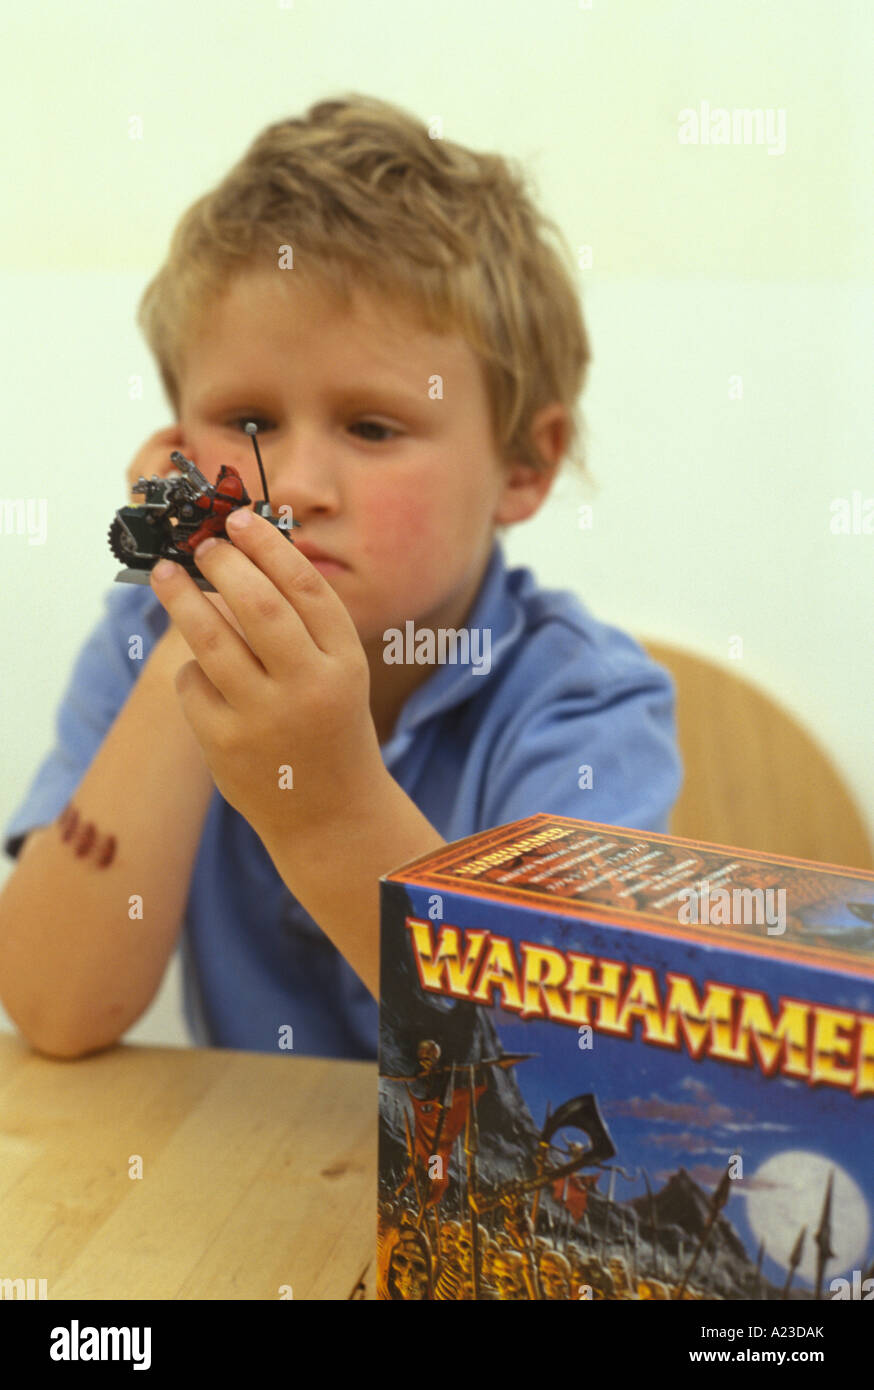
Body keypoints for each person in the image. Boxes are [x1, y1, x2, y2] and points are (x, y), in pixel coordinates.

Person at [0, 94, 682, 1061]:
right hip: (244, 1188)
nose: (301, 488)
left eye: (372, 428)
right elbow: (56, 1010)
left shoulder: (585, 708)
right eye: (246, 420)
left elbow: (555, 1067)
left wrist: (327, 807)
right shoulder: (141, 648)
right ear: (174, 443)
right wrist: (197, 631)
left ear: (525, 465)